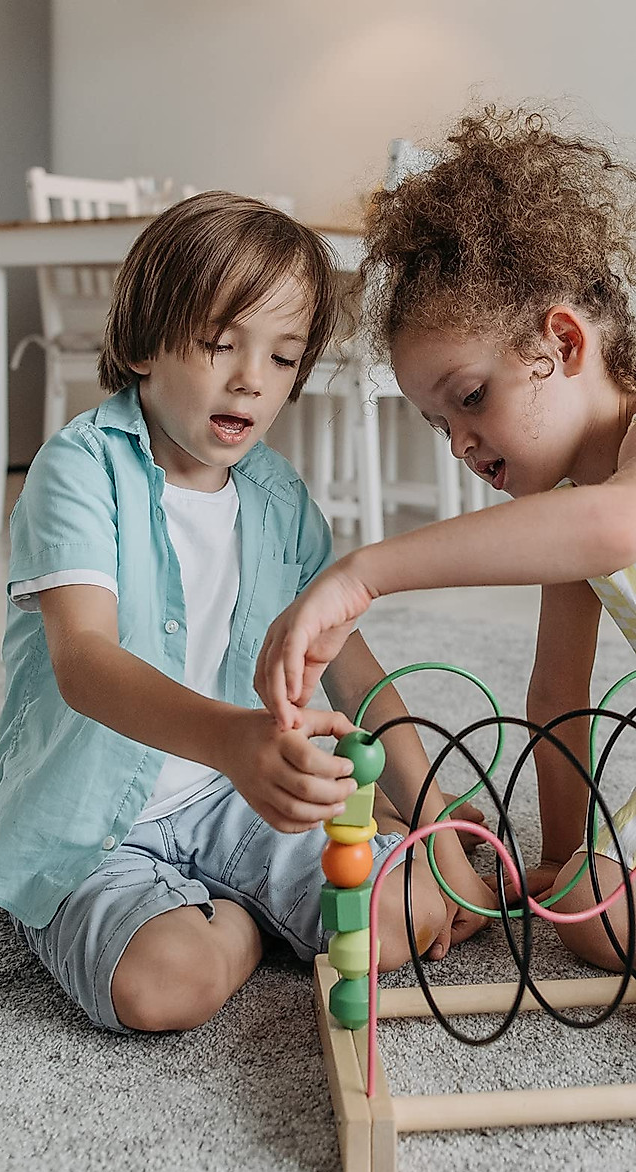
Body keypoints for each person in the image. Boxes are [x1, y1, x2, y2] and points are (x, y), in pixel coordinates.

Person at [0, 192, 491, 1033]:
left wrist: (429, 823)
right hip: (94, 824)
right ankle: (242, 922)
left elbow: (355, 672)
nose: (251, 378)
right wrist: (238, 743)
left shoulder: (277, 498)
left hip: (233, 798)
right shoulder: (78, 469)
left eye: (284, 359)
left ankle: (284, 877)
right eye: (220, 344)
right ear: (142, 343)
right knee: (164, 986)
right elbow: (85, 662)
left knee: (409, 918)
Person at [254, 105, 636, 972]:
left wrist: (367, 572)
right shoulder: (565, 505)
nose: (461, 444)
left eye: (470, 399)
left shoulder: (611, 484)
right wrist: (557, 858)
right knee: (586, 910)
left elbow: (618, 523)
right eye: (437, 425)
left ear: (564, 340)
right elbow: (556, 699)